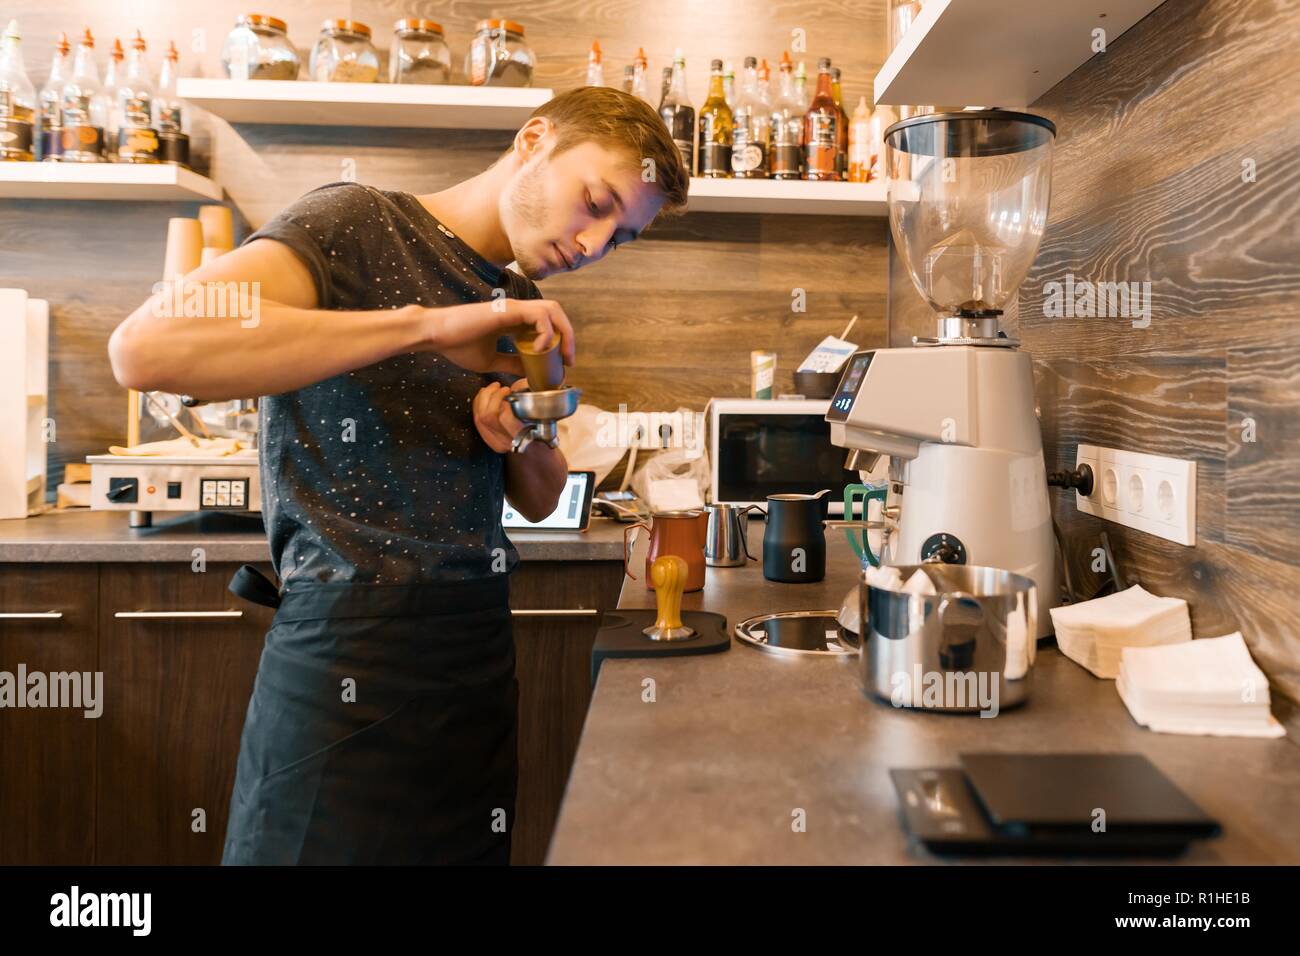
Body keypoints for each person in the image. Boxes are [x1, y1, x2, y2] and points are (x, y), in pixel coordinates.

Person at [107, 86, 690, 864]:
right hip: (344, 651)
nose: (591, 244)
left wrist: (517, 436)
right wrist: (431, 325)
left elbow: (543, 498)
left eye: (619, 238)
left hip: (475, 653)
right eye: (595, 202)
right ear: (533, 140)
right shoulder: (354, 223)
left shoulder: (518, 301)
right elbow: (145, 350)